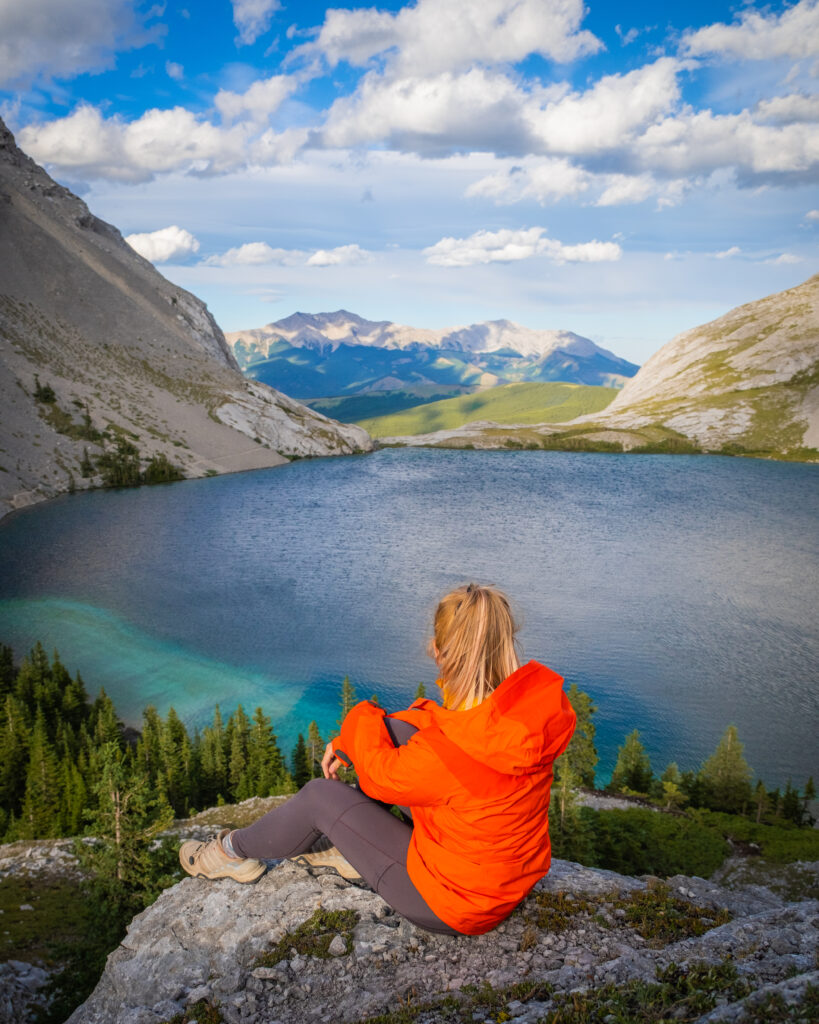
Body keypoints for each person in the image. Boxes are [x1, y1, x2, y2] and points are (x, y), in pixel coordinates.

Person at [179, 583, 576, 936]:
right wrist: (352, 739)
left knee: (320, 797)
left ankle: (227, 853)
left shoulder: (442, 754)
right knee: (395, 732)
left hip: (454, 904)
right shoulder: (523, 715)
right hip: (506, 878)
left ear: (439, 653)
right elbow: (428, 726)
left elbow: (380, 778)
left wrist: (358, 719)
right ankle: (359, 843)